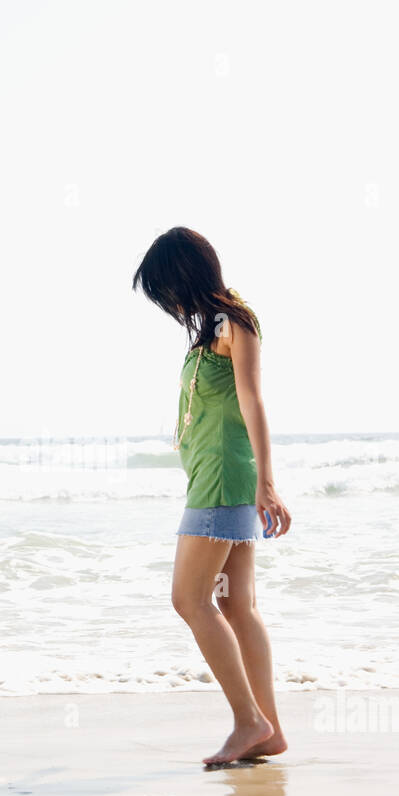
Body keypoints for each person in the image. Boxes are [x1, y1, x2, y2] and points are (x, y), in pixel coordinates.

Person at [133, 226, 291, 765]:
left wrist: (266, 483)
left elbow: (253, 402)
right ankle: (267, 731)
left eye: (165, 290)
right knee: (235, 605)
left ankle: (249, 722)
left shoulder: (231, 322)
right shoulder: (212, 329)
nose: (168, 303)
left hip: (224, 480)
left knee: (190, 599)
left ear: (184, 277)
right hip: (217, 476)